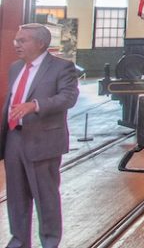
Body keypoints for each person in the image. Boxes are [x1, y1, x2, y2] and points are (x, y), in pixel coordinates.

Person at [0, 23, 79, 248]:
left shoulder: (61, 67)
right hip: (15, 139)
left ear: (40, 43)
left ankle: (50, 242)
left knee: (46, 198)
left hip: (43, 141)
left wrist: (35, 105)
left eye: (22, 40)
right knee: (16, 198)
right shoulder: (16, 67)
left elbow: (68, 98)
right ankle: (19, 242)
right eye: (16, 40)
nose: (16, 44)